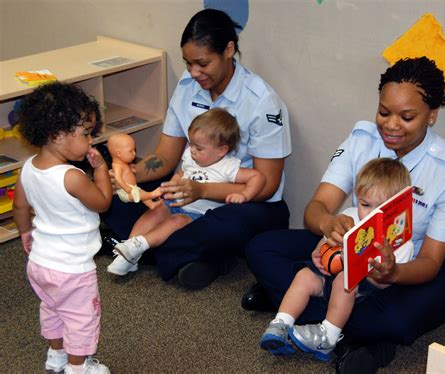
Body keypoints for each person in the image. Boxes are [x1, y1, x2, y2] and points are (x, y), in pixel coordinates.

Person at [243, 57, 445, 372]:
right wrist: (328, 224)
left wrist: (392, 273)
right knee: (261, 247)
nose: (391, 125)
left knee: (397, 319)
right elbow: (316, 208)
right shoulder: (362, 140)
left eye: (407, 117)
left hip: (416, 262)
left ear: (431, 116)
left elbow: (431, 263)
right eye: (383, 112)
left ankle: (306, 310)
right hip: (352, 249)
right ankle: (334, 321)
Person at [102, 9, 291, 289]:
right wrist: (127, 176)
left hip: (242, 199)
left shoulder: (262, 102)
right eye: (188, 63)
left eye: (202, 63)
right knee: (118, 197)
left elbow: (267, 185)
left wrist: (202, 191)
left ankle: (157, 250)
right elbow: (166, 157)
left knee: (226, 227)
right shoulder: (189, 85)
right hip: (187, 185)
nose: (193, 72)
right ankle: (179, 254)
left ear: (229, 50)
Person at [260, 158, 414, 361]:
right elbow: (326, 240)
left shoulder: (400, 240)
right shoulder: (349, 216)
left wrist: (379, 270)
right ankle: (281, 323)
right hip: (332, 273)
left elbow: (387, 283)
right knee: (304, 276)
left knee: (344, 280)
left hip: (365, 288)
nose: (369, 214)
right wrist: (320, 251)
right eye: (365, 204)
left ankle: (328, 336)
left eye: (381, 209)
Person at [13, 82, 113, 374]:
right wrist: (101, 171)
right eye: (86, 134)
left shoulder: (28, 167)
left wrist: (25, 232)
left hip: (40, 263)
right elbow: (103, 203)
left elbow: (20, 208)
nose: (91, 142)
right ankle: (77, 367)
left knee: (52, 309)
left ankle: (56, 356)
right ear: (57, 135)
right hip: (73, 269)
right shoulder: (72, 177)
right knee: (82, 318)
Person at [107, 108, 265, 276]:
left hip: (197, 213)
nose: (193, 151)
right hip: (175, 202)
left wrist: (245, 195)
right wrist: (173, 184)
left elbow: (257, 177)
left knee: (176, 220)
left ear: (221, 150)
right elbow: (181, 173)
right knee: (156, 210)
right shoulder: (191, 157)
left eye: (199, 148)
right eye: (191, 144)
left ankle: (140, 245)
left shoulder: (227, 166)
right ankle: (129, 250)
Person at [107, 133, 162, 209]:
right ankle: (152, 194)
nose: (134, 154)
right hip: (125, 192)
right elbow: (118, 178)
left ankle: (151, 204)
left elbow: (125, 173)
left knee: (142, 193)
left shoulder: (123, 164)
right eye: (131, 151)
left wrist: (129, 169)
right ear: (119, 153)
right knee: (139, 195)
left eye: (134, 150)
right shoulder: (117, 166)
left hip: (132, 187)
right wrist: (126, 188)